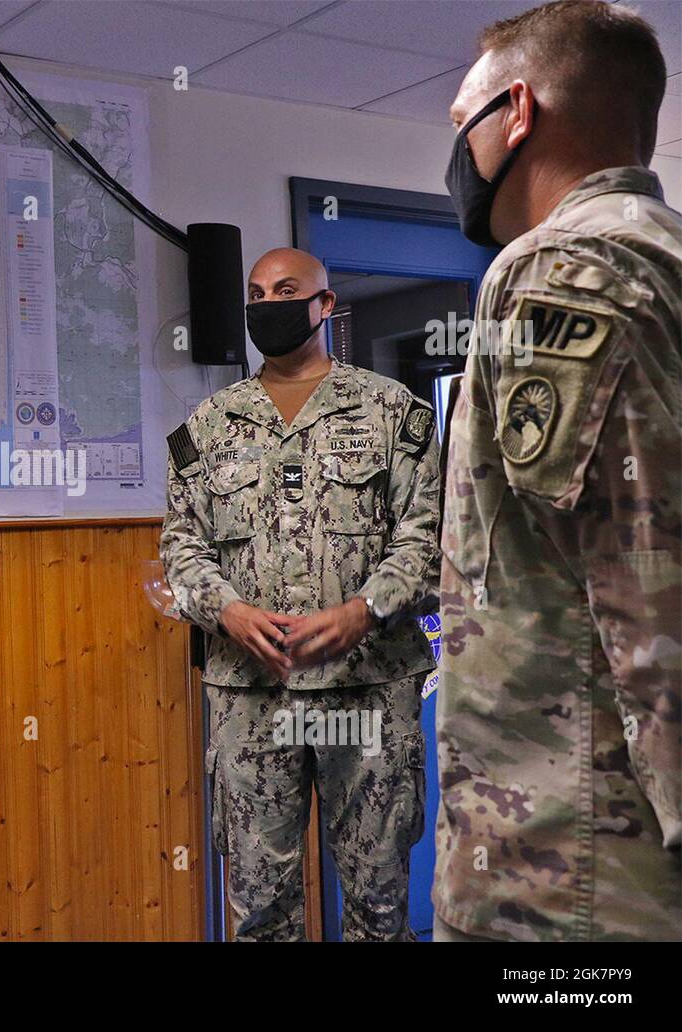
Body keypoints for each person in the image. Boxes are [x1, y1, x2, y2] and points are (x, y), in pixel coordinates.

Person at [435, 0, 680, 941]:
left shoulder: (566, 267)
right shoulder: (664, 255)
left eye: (463, 124)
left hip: (575, 863)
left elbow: (647, 580)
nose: (456, 150)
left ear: (519, 111)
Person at [161, 246, 440, 940]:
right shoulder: (209, 426)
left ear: (324, 305)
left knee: (379, 909)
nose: (267, 304)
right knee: (259, 913)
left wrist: (365, 608)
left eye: (286, 290)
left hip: (367, 688)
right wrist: (225, 608)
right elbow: (182, 547)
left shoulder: (390, 413)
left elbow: (428, 542)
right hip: (252, 697)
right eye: (256, 294)